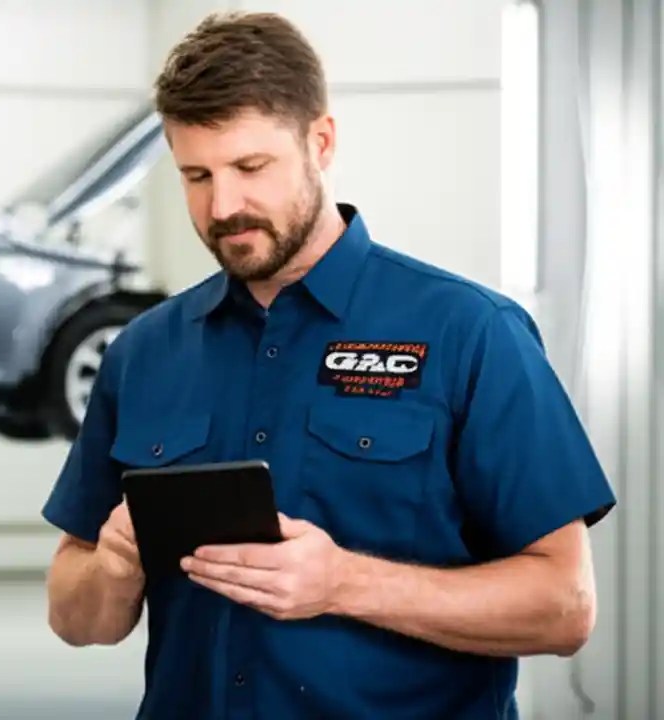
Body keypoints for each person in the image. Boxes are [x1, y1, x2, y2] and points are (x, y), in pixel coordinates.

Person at [41, 11, 616, 720]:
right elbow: (75, 616)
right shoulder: (144, 352)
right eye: (196, 175)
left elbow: (564, 606)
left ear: (321, 141)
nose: (223, 207)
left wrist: (343, 583)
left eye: (251, 168)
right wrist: (111, 570)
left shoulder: (470, 333)